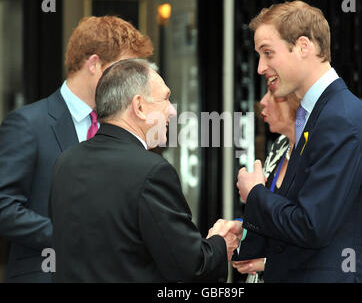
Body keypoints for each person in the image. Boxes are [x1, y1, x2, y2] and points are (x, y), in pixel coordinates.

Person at [49, 59, 239, 282]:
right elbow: (189, 266)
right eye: (166, 99)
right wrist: (219, 243)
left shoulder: (65, 161)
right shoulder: (152, 171)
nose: (172, 112)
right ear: (139, 106)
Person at [233, 0, 362, 282]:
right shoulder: (320, 115)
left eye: (268, 53)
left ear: (303, 47)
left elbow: (311, 226)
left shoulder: (340, 119)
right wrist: (243, 234)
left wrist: (255, 194)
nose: (260, 68)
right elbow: (299, 220)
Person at [0, 16, 153, 282]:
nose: (131, 81)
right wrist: (70, 236)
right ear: (94, 64)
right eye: (123, 68)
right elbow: (4, 207)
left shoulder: (123, 127)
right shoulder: (28, 124)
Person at [232, 92, 299, 282]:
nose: (262, 101)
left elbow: (310, 228)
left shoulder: (314, 152)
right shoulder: (280, 146)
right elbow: (267, 217)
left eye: (273, 93)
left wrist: (269, 262)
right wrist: (241, 229)